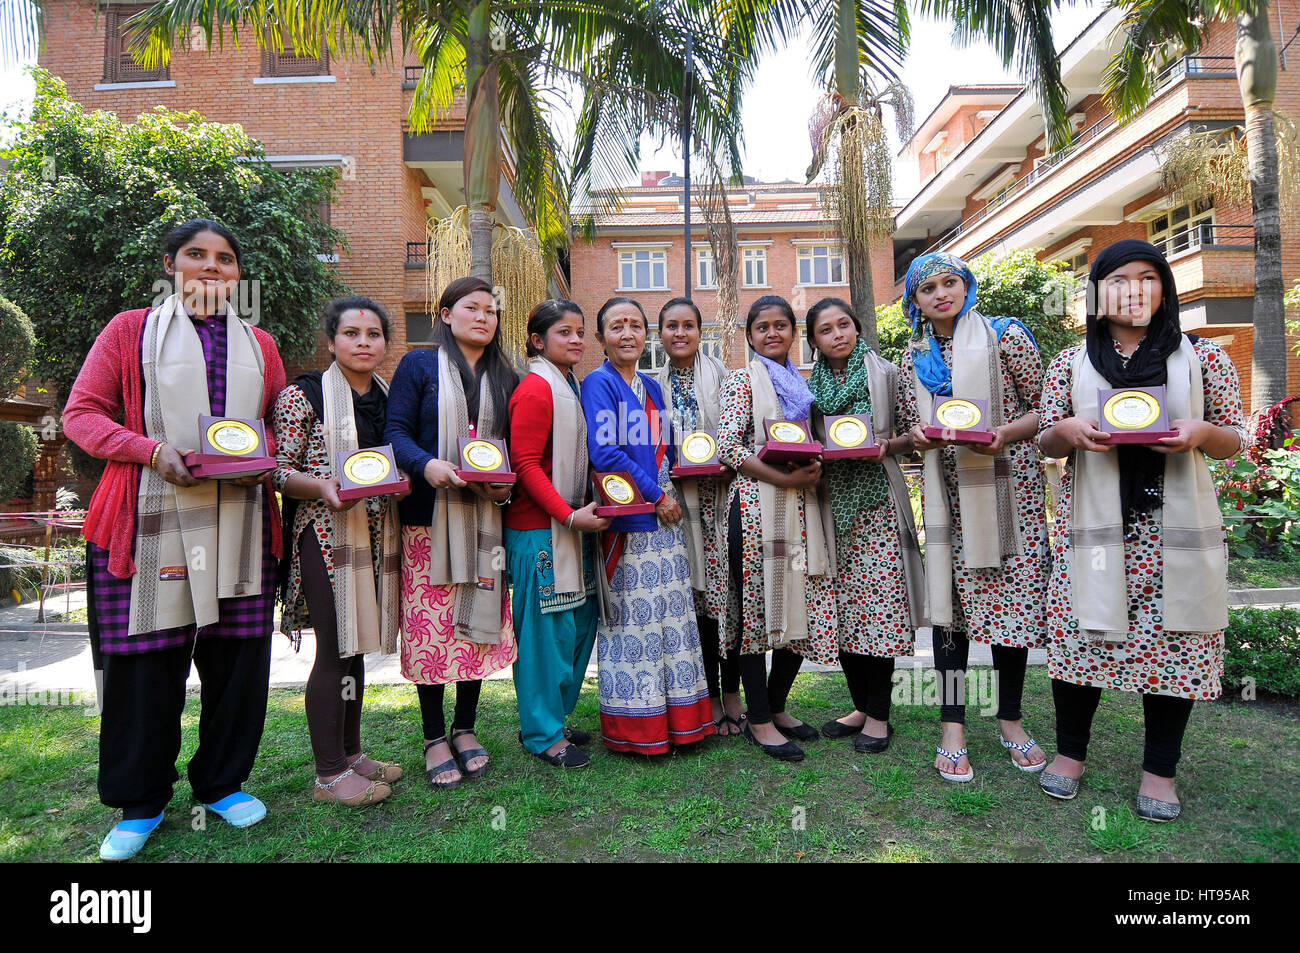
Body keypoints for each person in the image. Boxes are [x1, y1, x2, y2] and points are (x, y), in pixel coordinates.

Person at [64, 219, 285, 860]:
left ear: (238, 275)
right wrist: (150, 449)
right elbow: (81, 414)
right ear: (171, 264)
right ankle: (141, 801)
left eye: (224, 259)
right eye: (196, 255)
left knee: (237, 661)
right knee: (147, 666)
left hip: (242, 525)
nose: (211, 268)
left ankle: (221, 781)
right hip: (146, 522)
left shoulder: (261, 345)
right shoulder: (130, 330)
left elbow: (274, 422)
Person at [1036, 238, 1245, 821]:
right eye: (1120, 279)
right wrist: (1068, 431)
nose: (1135, 290)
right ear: (1098, 294)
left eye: (1148, 278)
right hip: (1097, 530)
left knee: (1177, 643)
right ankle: (1070, 756)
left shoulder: (1203, 358)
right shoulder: (1069, 363)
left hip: (1171, 527)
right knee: (1083, 638)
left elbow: (1234, 440)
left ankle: (1160, 772)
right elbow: (1046, 441)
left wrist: (1202, 434)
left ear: (1165, 288)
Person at [899, 252, 1050, 782]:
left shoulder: (1005, 335)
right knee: (950, 612)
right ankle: (953, 725)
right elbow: (908, 428)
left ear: (967, 285)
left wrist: (1005, 433)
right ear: (914, 301)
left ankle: (1010, 719)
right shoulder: (912, 357)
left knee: (1012, 610)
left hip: (1010, 495)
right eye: (927, 288)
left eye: (950, 282)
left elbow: (1047, 411)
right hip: (948, 501)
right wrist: (916, 438)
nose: (941, 294)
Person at [272, 296, 405, 807]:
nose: (363, 343)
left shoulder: (388, 397)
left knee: (355, 648)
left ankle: (351, 754)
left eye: (373, 335)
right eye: (352, 334)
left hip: (375, 534)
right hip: (325, 534)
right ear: (332, 342)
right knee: (334, 648)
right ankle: (328, 774)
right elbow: (278, 470)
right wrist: (323, 485)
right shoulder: (301, 397)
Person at [386, 277, 518, 788]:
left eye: (491, 310)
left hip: (486, 520)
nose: (483, 317)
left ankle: (466, 729)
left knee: (475, 627)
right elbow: (395, 433)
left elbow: (507, 445)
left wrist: (504, 491)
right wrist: (426, 465)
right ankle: (434, 736)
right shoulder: (419, 365)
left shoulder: (505, 375)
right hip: (428, 518)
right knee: (432, 631)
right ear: (445, 314)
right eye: (472, 308)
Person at [582, 296, 715, 754]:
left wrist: (699, 465)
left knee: (671, 619)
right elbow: (605, 453)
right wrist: (657, 496)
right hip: (632, 517)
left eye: (635, 325)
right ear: (600, 338)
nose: (627, 334)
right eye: (616, 326)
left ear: (647, 335)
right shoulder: (597, 385)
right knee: (633, 623)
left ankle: (682, 722)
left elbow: (669, 447)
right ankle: (638, 730)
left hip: (667, 518)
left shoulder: (651, 387)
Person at [716, 295, 839, 762]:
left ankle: (779, 706)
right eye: (762, 327)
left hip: (802, 509)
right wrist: (787, 478)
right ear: (749, 336)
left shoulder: (803, 390)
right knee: (755, 613)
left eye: (781, 326)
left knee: (803, 603)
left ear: (793, 333)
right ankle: (760, 719)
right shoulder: (741, 381)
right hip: (753, 509)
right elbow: (729, 447)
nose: (772, 333)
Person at [806, 298, 926, 753]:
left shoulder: (889, 374)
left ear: (856, 328)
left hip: (877, 501)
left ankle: (879, 716)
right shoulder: (807, 386)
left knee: (882, 609)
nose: (837, 334)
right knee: (843, 609)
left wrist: (885, 445)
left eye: (844, 325)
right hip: (830, 503)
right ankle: (860, 706)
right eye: (825, 329)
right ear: (814, 340)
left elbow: (917, 435)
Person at [506, 299, 610, 768]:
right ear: (537, 341)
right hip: (541, 530)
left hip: (574, 525)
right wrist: (568, 517)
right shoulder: (535, 389)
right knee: (547, 634)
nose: (576, 340)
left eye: (581, 332)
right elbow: (525, 465)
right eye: (564, 332)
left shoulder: (568, 385)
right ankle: (542, 734)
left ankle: (557, 719)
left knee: (573, 627)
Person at [654, 297, 742, 736]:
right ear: (661, 334)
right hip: (678, 505)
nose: (680, 333)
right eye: (672, 326)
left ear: (700, 332)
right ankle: (706, 695)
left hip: (724, 498)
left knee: (728, 597)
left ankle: (733, 694)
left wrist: (729, 460)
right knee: (696, 600)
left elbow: (741, 431)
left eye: (689, 325)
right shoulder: (651, 386)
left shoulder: (726, 377)